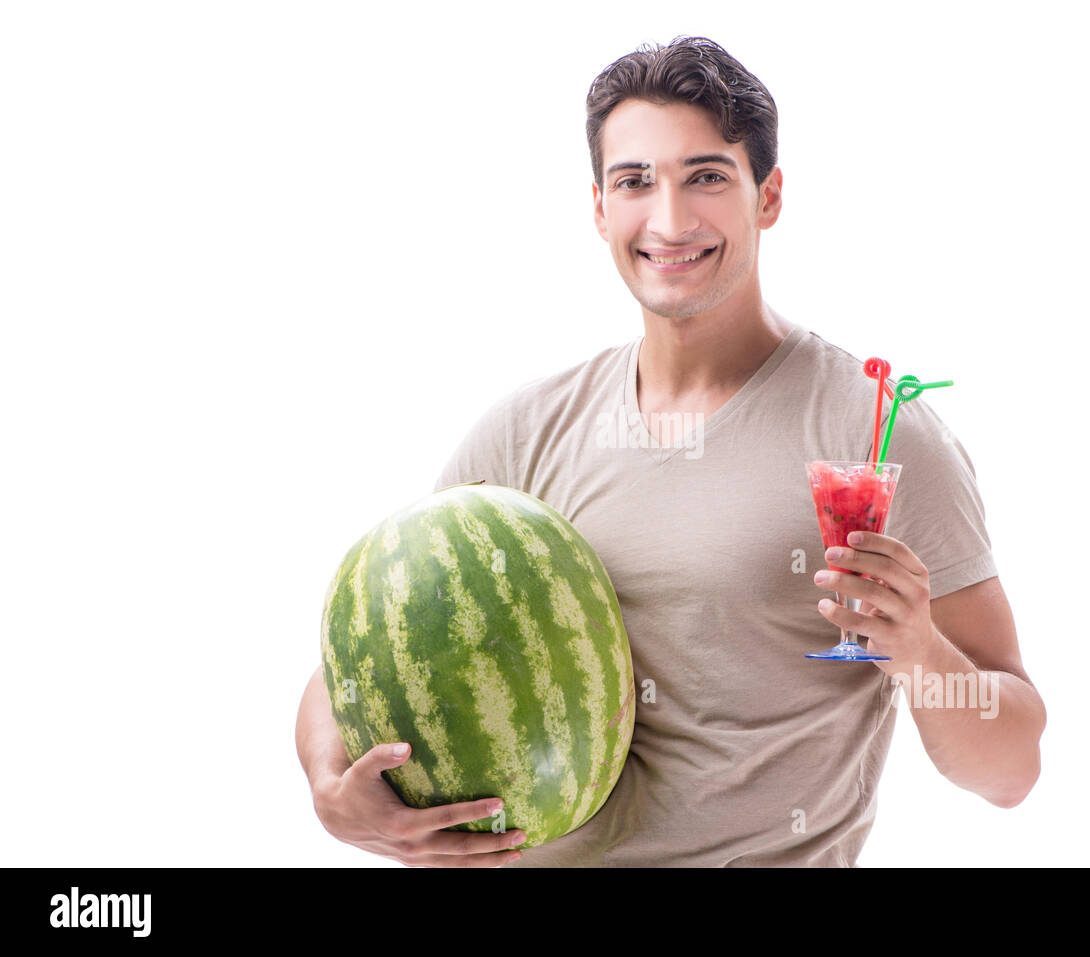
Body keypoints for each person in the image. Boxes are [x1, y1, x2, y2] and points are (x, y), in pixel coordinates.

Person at [295, 35, 1046, 867]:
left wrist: (919, 651)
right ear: (598, 208)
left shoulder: (874, 437)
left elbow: (1012, 769)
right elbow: (357, 661)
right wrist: (332, 787)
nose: (671, 220)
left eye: (707, 177)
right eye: (635, 182)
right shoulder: (525, 431)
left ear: (769, 197)